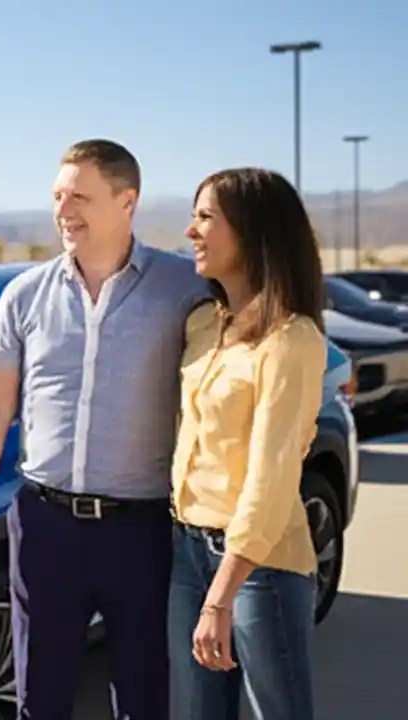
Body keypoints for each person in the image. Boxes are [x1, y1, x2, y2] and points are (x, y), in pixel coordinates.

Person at [0, 139, 209, 718]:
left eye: (80, 197)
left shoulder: (185, 290)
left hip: (142, 530)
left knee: (142, 694)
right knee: (39, 696)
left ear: (127, 201)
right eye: (58, 197)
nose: (63, 211)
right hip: (45, 526)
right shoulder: (24, 296)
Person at [168, 167, 326, 720]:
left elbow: (272, 477)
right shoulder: (202, 326)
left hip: (260, 568)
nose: (191, 231)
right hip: (188, 549)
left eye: (206, 217)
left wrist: (221, 595)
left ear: (254, 230)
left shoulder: (291, 341)